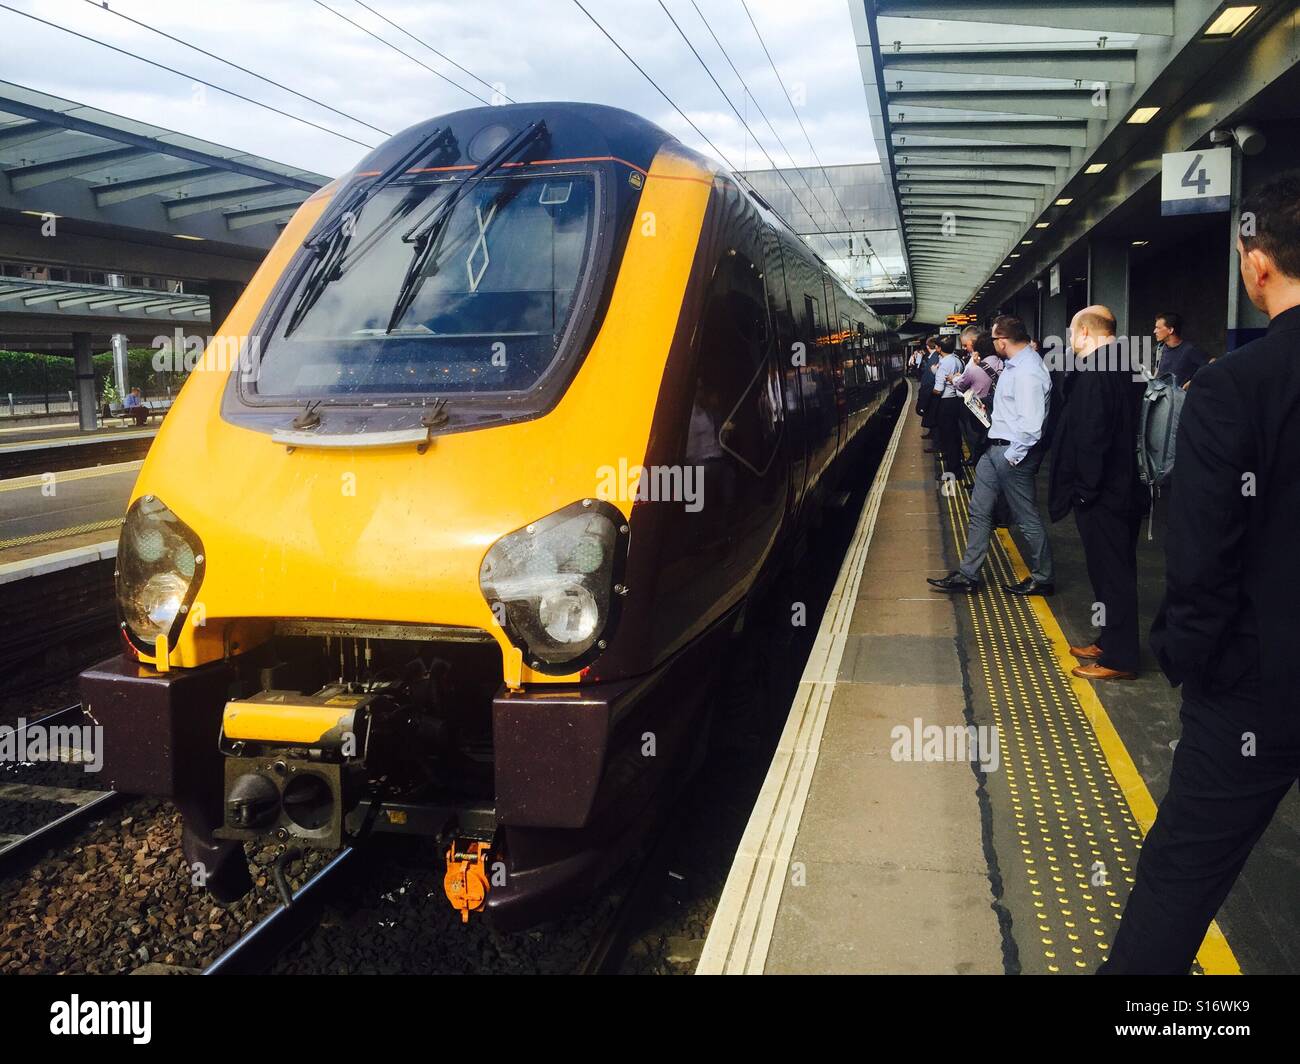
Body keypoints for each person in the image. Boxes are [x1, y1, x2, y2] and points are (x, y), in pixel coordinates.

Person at [1099, 172, 1300, 974]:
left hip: (1256, 683)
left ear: (1256, 266)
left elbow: (1203, 555)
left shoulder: (1236, 386)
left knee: (1181, 877)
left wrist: (1188, 656)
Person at [1048, 305, 1147, 681]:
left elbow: (1092, 438)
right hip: (1122, 490)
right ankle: (1109, 639)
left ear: (1084, 333)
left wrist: (1085, 492)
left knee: (1113, 575)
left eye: (1072, 333)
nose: (1070, 340)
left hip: (1105, 496)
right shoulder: (1125, 365)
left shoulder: (1096, 372)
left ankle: (1120, 659)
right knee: (1110, 572)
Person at [927, 315, 1054, 595]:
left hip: (1011, 453)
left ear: (1003, 340)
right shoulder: (1014, 366)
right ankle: (969, 574)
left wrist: (1012, 457)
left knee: (1025, 516)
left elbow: (1032, 425)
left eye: (994, 338)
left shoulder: (1028, 371)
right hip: (994, 449)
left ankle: (1044, 578)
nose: (990, 343)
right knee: (979, 510)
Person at [928, 334, 963, 477]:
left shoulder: (943, 364)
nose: (936, 348)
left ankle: (953, 471)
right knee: (955, 436)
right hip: (955, 402)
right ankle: (956, 464)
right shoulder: (957, 360)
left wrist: (930, 392)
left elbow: (938, 389)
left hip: (945, 403)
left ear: (940, 348)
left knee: (948, 438)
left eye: (937, 346)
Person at [1153, 312, 1209, 389]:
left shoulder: (1190, 349)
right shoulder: (1159, 349)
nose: (1155, 331)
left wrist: (1192, 382)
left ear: (1170, 330)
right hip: (1162, 397)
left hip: (1180, 398)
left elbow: (1212, 363)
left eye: (1158, 328)